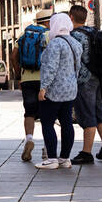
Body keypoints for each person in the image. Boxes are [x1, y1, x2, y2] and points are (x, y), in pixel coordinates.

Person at [69, 3, 102, 164]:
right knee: (99, 112)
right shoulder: (93, 31)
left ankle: (86, 152)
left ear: (71, 17)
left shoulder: (74, 35)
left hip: (84, 80)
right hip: (99, 77)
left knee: (87, 114)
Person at [37, 12, 82, 170]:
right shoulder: (75, 43)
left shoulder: (55, 43)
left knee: (47, 123)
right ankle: (65, 158)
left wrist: (43, 87)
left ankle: (51, 158)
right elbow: (78, 68)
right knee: (67, 123)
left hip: (54, 90)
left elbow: (50, 67)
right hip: (70, 89)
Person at [12, 8, 51, 162]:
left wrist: (18, 76)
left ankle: (29, 140)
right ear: (48, 22)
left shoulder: (24, 34)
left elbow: (13, 55)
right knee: (47, 113)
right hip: (44, 80)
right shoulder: (49, 35)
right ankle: (48, 148)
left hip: (27, 79)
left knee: (29, 112)